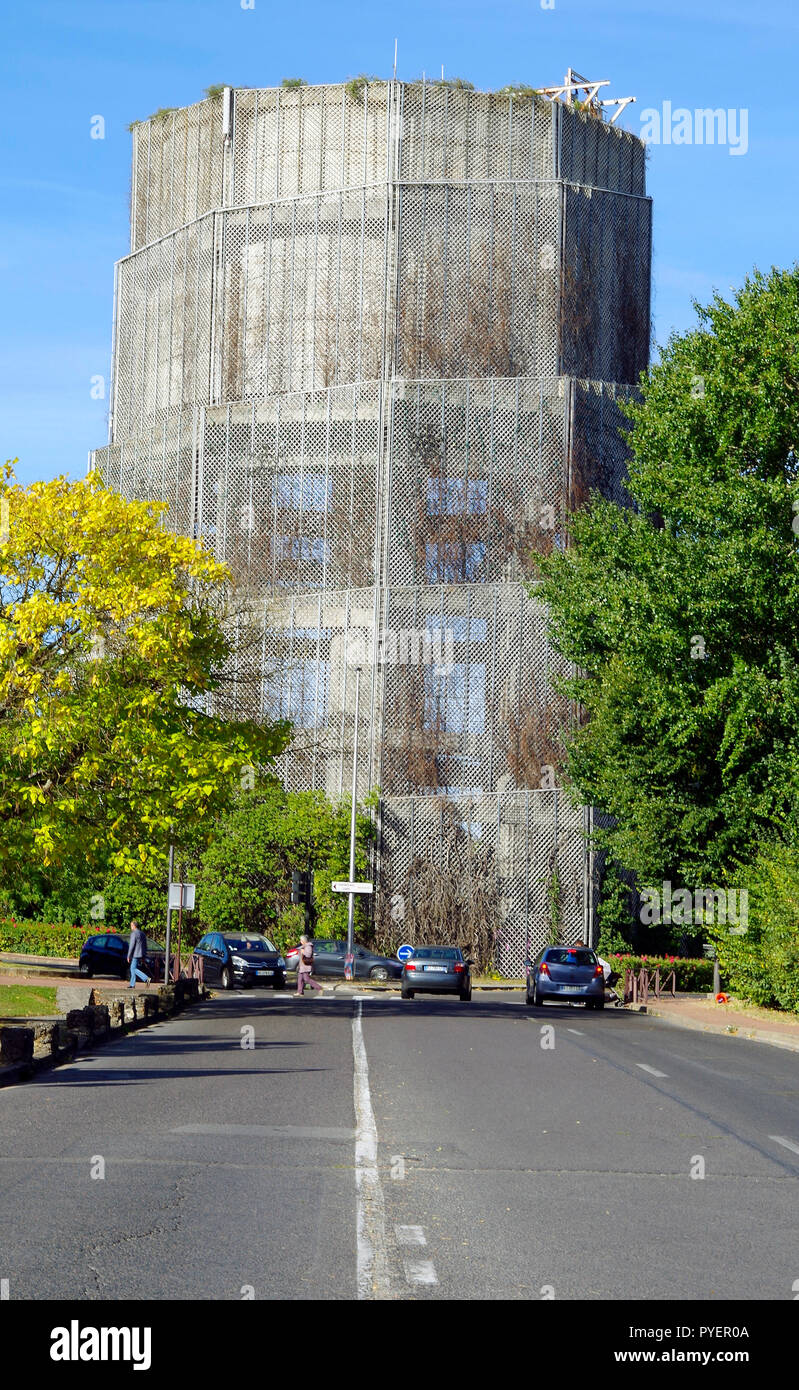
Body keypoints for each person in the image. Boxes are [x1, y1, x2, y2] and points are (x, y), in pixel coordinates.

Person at [127, 919, 150, 989]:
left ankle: (146, 978)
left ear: (134, 926)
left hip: (135, 953)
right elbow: (145, 945)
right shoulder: (142, 933)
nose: (131, 927)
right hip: (141, 953)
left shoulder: (134, 933)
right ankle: (132, 984)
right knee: (133, 968)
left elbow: (132, 945)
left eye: (131, 925)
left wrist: (128, 955)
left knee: (133, 968)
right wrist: (144, 954)